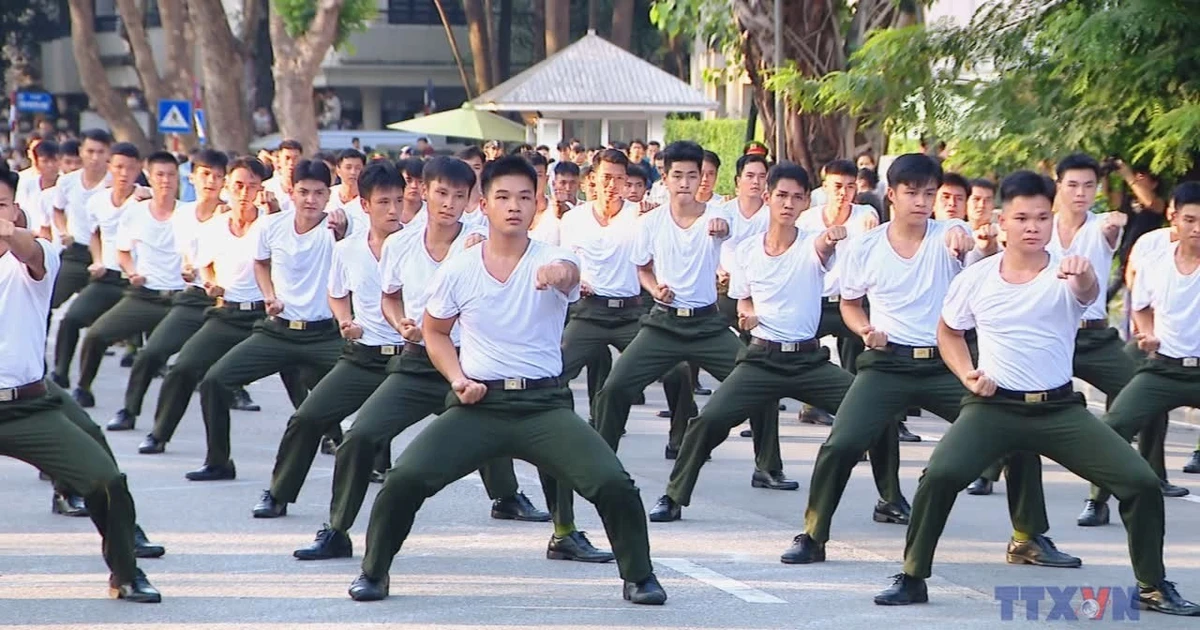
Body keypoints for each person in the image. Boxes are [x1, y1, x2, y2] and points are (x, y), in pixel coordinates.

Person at [873, 171, 1200, 617]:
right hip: (992, 408)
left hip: (1058, 410)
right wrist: (968, 374)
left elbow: (1085, 292)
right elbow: (949, 332)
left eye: (1042, 218)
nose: (1033, 226)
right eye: (1022, 217)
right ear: (1002, 222)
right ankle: (912, 577)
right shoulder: (978, 278)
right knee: (940, 476)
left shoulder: (1068, 270)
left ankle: (1153, 585)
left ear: (1051, 221)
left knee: (1140, 483)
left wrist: (1084, 276)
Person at [347, 155, 664, 605]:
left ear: (538, 204)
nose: (514, 206)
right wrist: (457, 378)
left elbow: (570, 275)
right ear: (484, 203)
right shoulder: (461, 268)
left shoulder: (554, 256)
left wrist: (559, 276)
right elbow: (435, 332)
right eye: (502, 197)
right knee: (404, 480)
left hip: (543, 407)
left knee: (613, 483)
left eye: (524, 197)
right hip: (480, 405)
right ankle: (373, 572)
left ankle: (640, 576)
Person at [787, 154, 1072, 569]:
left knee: (1015, 436)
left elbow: (968, 241)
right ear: (892, 195)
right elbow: (849, 304)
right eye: (911, 193)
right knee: (842, 444)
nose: (921, 201)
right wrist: (865, 330)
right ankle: (813, 535)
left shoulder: (949, 233)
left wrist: (968, 243)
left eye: (928, 193)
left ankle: (1028, 538)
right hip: (886, 364)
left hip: (943, 365)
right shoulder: (866, 245)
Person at [0, 164, 161, 603]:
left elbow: (28, 251)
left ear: (15, 209)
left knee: (105, 480)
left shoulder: (39, 257)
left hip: (27, 406)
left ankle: (125, 572)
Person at [185, 159, 348, 481]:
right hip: (278, 331)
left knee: (368, 390)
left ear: (329, 195)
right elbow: (260, 263)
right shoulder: (271, 226)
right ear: (292, 192)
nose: (310, 200)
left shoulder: (338, 228)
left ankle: (366, 460)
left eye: (318, 193)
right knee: (215, 381)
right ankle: (219, 461)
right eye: (303, 192)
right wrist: (269, 294)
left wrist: (343, 234)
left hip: (324, 334)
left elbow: (357, 258)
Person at [1080, 182, 1200, 520]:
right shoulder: (1155, 259)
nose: (1198, 228)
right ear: (1175, 219)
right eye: (1190, 219)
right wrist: (1146, 334)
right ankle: (1097, 500)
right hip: (1162, 369)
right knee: (1114, 424)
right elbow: (1142, 307)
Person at [105, 150, 230, 432]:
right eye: (205, 174)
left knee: (186, 368)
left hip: (227, 303)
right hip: (193, 298)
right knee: (151, 354)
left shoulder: (231, 214)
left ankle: (331, 432)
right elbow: (162, 219)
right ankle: (129, 410)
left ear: (225, 180)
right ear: (193, 177)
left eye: (217, 175)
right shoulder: (182, 214)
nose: (210, 181)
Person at [51, 142, 140, 396]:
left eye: (130, 169)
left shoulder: (144, 201)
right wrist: (98, 260)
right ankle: (60, 373)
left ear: (138, 170)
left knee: (98, 334)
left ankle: (84, 386)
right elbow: (96, 234)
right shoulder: (98, 202)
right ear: (110, 167)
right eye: (119, 167)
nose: (124, 173)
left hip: (134, 282)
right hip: (107, 277)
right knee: (71, 319)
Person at [50, 129, 113, 312]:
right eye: (90, 151)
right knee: (48, 299)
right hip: (76, 251)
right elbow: (58, 210)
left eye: (100, 152)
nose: (95, 158)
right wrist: (64, 231)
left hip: (107, 254)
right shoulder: (67, 182)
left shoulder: (115, 182)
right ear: (81, 151)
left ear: (108, 153)